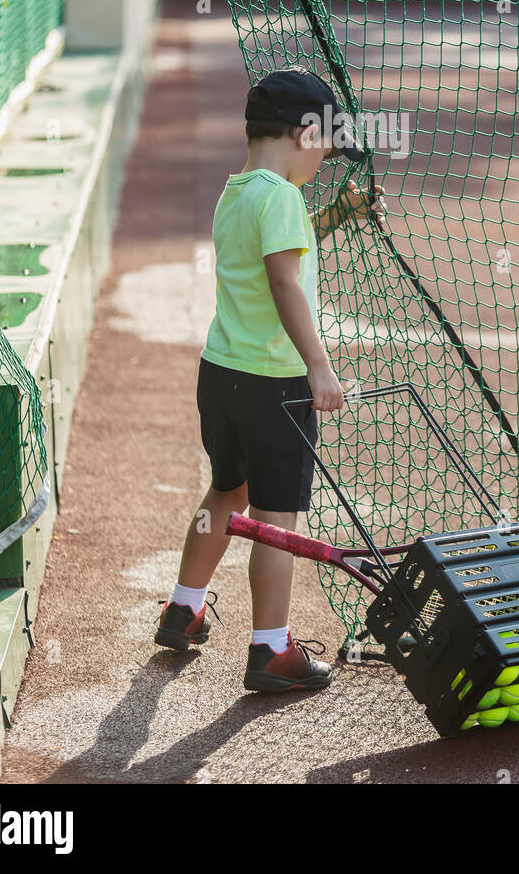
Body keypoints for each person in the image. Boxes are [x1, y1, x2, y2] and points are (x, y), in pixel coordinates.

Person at [155, 67, 385, 691]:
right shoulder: (282, 198)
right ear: (306, 131)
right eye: (328, 148)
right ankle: (271, 650)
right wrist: (320, 365)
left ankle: (184, 607)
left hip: (222, 375)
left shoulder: (240, 192)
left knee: (226, 494)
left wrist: (337, 213)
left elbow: (279, 254)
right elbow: (286, 283)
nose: (326, 161)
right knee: (278, 518)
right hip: (275, 386)